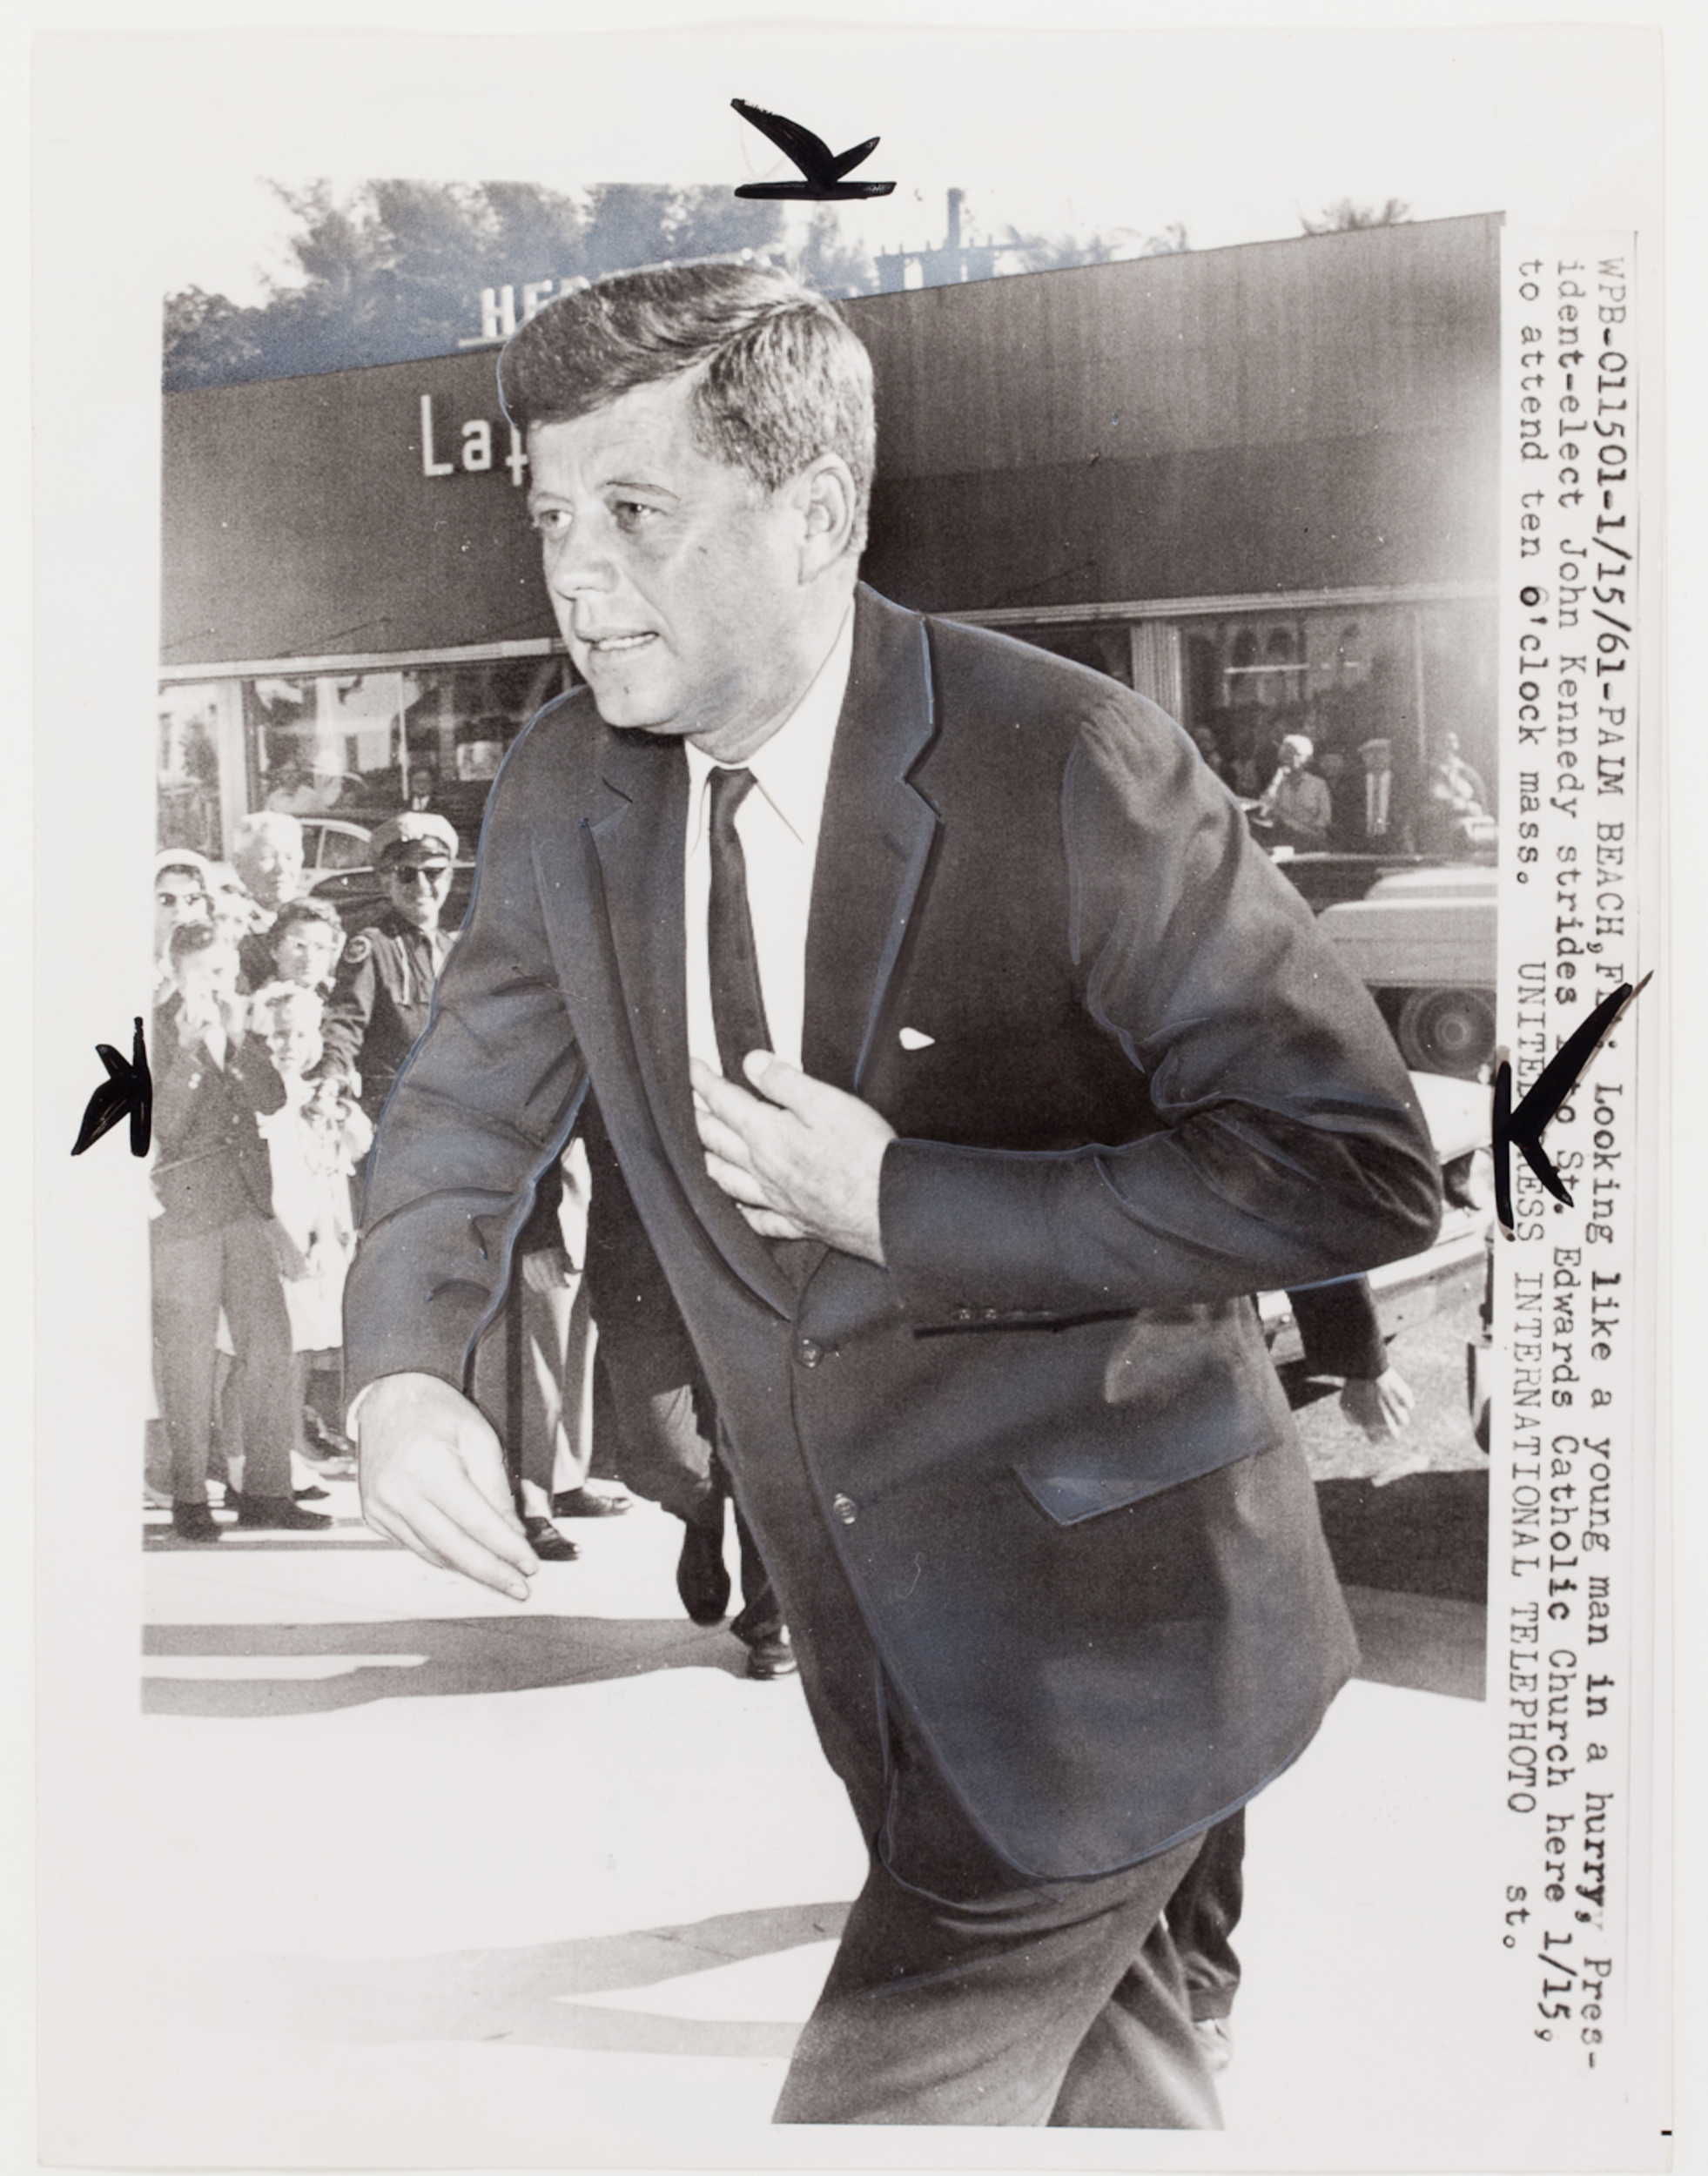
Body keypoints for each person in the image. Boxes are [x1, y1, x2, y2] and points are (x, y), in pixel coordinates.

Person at [343, 264, 1440, 2127]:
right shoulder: (561, 781)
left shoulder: (1072, 755)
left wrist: (907, 1195)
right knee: (1131, 2086)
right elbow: (459, 1106)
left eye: (635, 513)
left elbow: (1355, 1165)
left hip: (1121, 1645)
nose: (575, 574)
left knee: (872, 2115)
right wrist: (399, 1362)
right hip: (879, 1647)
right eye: (548, 516)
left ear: (819, 516)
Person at [150, 923, 331, 1541]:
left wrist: (231, 1038)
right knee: (189, 1359)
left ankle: (267, 1491)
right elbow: (163, 1128)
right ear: (175, 972)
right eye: (204, 974)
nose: (218, 986)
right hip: (184, 1216)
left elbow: (274, 1098)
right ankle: (188, 1496)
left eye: (226, 973)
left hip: (246, 1208)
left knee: (271, 1348)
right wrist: (188, 1054)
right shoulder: (152, 1028)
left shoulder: (236, 1027)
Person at [320, 812, 460, 1124]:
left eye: (434, 872)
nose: (422, 885)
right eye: (406, 874)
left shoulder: (455, 952)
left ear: (449, 878)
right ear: (386, 881)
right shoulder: (372, 947)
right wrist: (331, 1079)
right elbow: (345, 1022)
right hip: (395, 1114)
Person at [230, 810, 306, 989]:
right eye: (268, 857)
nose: (282, 868)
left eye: (290, 857)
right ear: (239, 864)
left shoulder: (312, 917)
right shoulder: (231, 925)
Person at [1253, 730, 1332, 849]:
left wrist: (1303, 831)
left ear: (1305, 758)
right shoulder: (1277, 785)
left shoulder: (1318, 785)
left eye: (1291, 754)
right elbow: (1263, 812)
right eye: (1283, 754)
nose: (1285, 759)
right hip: (1284, 843)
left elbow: (1324, 820)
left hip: (1312, 843)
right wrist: (1276, 781)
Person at [266, 895, 346, 996]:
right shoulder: (256, 1004)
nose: (309, 957)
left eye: (320, 948)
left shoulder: (340, 1001)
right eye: (300, 946)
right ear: (274, 949)